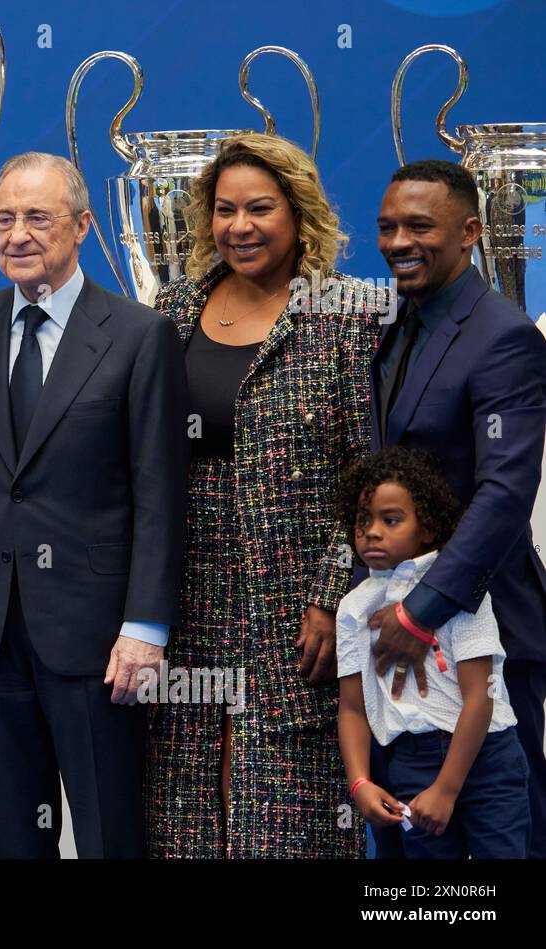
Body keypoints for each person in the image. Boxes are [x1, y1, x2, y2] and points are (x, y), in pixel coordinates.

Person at [0, 151, 187, 859]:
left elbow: (159, 494)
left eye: (37, 218)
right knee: (14, 838)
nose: (17, 235)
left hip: (101, 639)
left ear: (81, 226)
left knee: (110, 836)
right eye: (4, 218)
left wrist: (145, 625)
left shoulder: (140, 335)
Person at [146, 134, 383, 857]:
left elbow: (369, 473)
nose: (240, 226)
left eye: (259, 208)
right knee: (187, 798)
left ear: (298, 213)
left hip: (293, 604)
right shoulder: (173, 306)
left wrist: (331, 593)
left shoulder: (346, 314)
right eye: (224, 210)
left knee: (285, 807)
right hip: (185, 596)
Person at [368, 159, 546, 857]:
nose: (398, 241)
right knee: (413, 844)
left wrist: (422, 610)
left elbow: (505, 492)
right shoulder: (397, 324)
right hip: (397, 642)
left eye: (419, 226)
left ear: (471, 232)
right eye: (387, 227)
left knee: (511, 835)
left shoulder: (502, 336)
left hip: (487, 629)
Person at [337, 446, 530, 858]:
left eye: (390, 520)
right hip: (410, 761)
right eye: (362, 521)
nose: (372, 531)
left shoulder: (455, 589)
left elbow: (481, 697)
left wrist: (446, 789)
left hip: (486, 759)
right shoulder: (354, 608)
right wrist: (360, 784)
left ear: (426, 528)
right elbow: (352, 708)